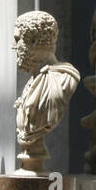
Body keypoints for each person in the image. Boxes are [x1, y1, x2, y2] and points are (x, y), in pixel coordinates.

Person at [12, 11, 80, 174]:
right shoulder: (33, 81)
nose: (13, 46)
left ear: (34, 41)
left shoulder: (60, 81)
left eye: (17, 39)